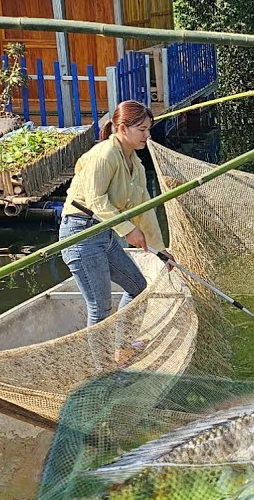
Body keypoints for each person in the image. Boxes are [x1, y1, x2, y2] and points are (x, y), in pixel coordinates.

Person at [59, 100, 172, 366]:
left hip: (105, 235)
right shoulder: (104, 155)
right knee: (100, 306)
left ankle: (122, 347)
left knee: (137, 287)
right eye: (142, 129)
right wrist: (128, 230)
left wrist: (159, 249)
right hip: (81, 234)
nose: (148, 135)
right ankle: (102, 367)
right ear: (122, 128)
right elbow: (96, 201)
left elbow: (145, 207)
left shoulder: (135, 163)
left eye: (148, 129)